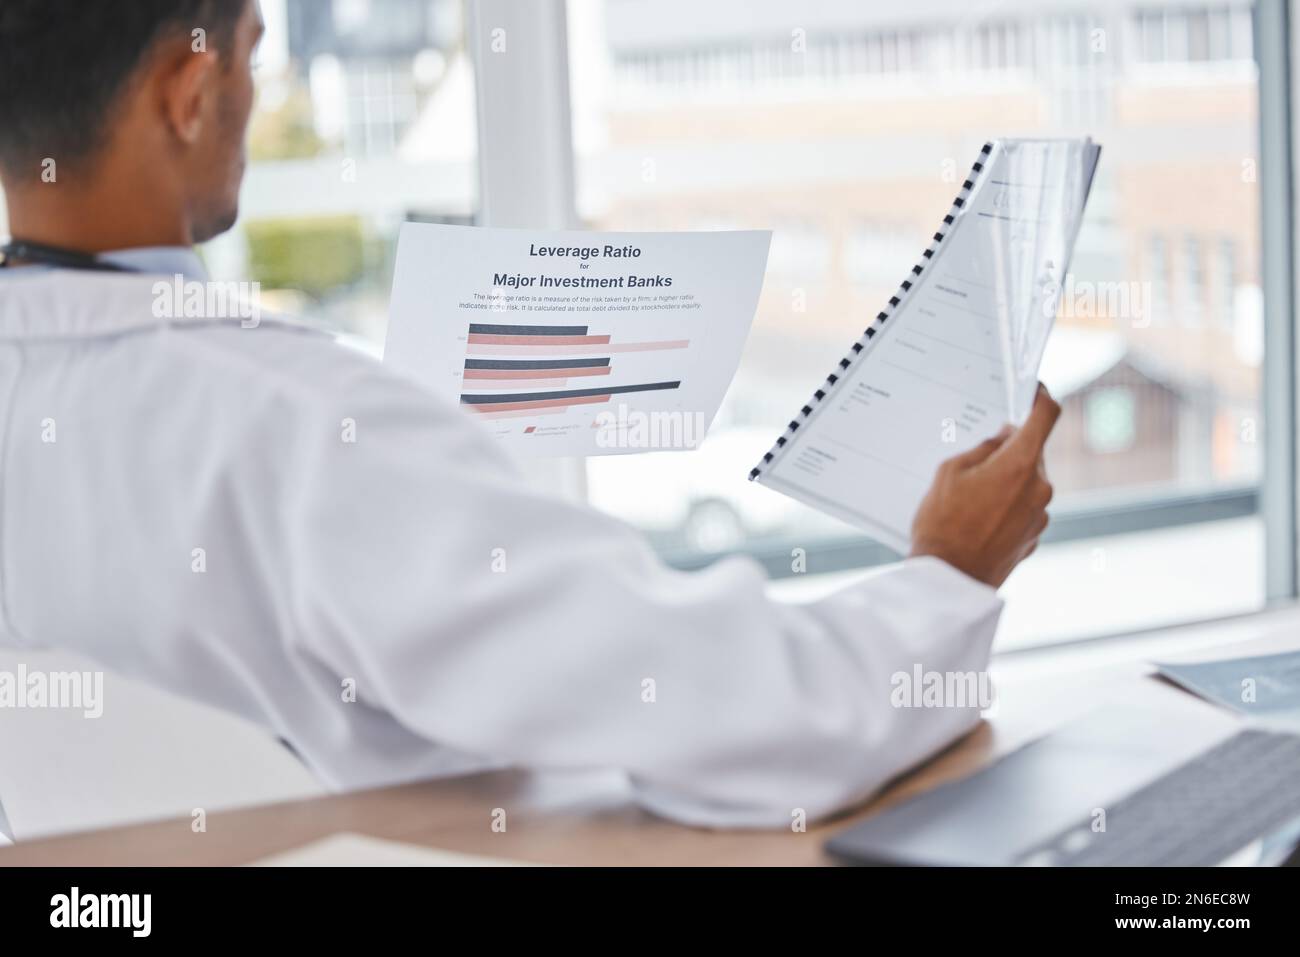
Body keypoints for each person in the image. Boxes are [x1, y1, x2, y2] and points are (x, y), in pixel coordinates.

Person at [0, 0, 1058, 827]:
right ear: (190, 90)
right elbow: (760, 726)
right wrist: (947, 574)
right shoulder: (301, 427)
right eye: (251, 55)